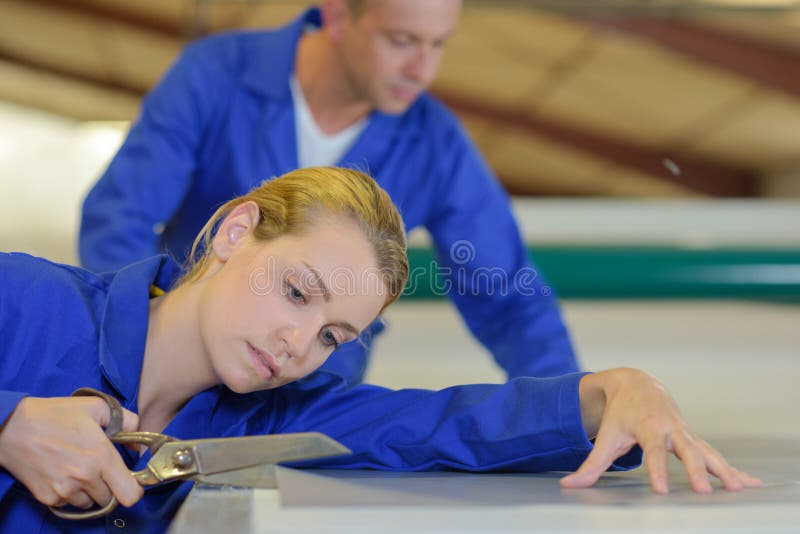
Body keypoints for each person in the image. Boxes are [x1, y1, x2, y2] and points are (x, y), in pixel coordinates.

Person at [1, 168, 760, 533]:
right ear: (236, 233)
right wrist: (9, 425)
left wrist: (610, 392)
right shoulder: (24, 300)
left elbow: (442, 427)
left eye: (336, 336)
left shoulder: (287, 421)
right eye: (298, 292)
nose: (299, 346)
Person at [79, 0, 580, 386]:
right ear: (338, 15)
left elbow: (509, 294)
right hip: (180, 370)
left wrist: (574, 409)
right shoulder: (215, 75)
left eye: (439, 43)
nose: (423, 70)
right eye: (403, 40)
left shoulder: (437, 145)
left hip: (311, 396)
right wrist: (141, 350)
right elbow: (118, 218)